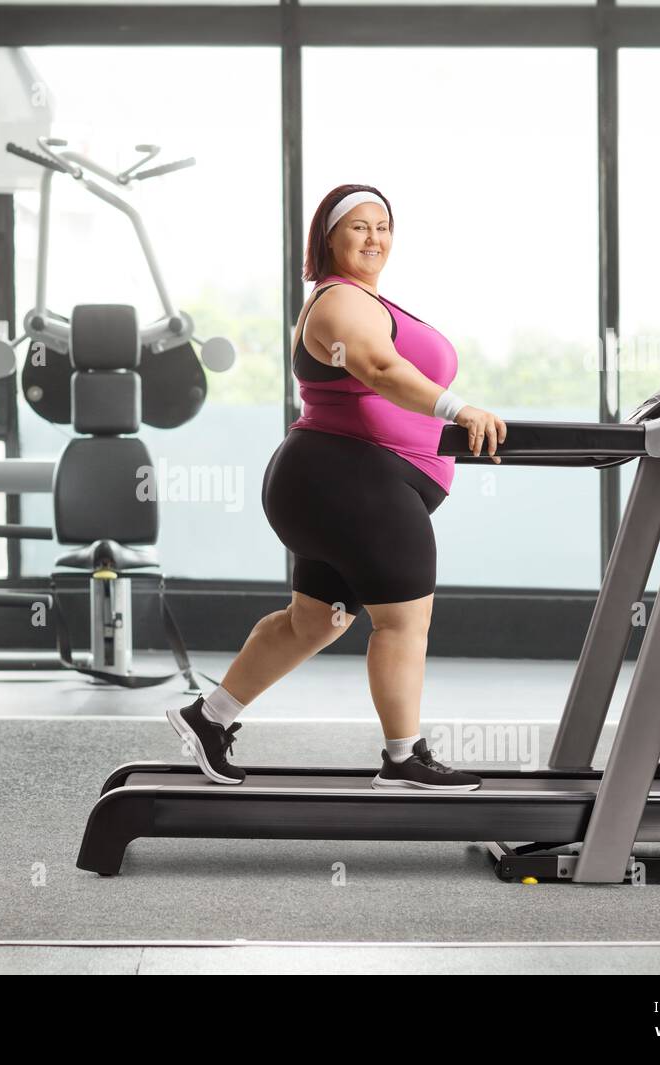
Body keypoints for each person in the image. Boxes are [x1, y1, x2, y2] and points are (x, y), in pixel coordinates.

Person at [167, 184, 506, 790]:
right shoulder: (338, 303)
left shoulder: (367, 301)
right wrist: (459, 410)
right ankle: (403, 758)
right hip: (350, 482)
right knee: (403, 621)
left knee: (315, 622)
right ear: (328, 238)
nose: (374, 237)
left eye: (384, 226)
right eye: (358, 227)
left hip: (333, 484)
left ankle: (209, 718)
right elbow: (378, 369)